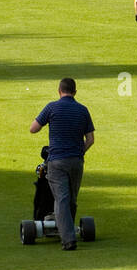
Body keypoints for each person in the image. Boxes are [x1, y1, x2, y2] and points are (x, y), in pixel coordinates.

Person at [29, 78, 94, 251]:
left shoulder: (52, 107)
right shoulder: (83, 110)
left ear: (59, 91)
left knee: (61, 199)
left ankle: (68, 239)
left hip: (57, 161)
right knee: (71, 199)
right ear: (75, 92)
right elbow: (90, 139)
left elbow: (33, 128)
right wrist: (80, 152)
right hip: (76, 162)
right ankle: (67, 230)